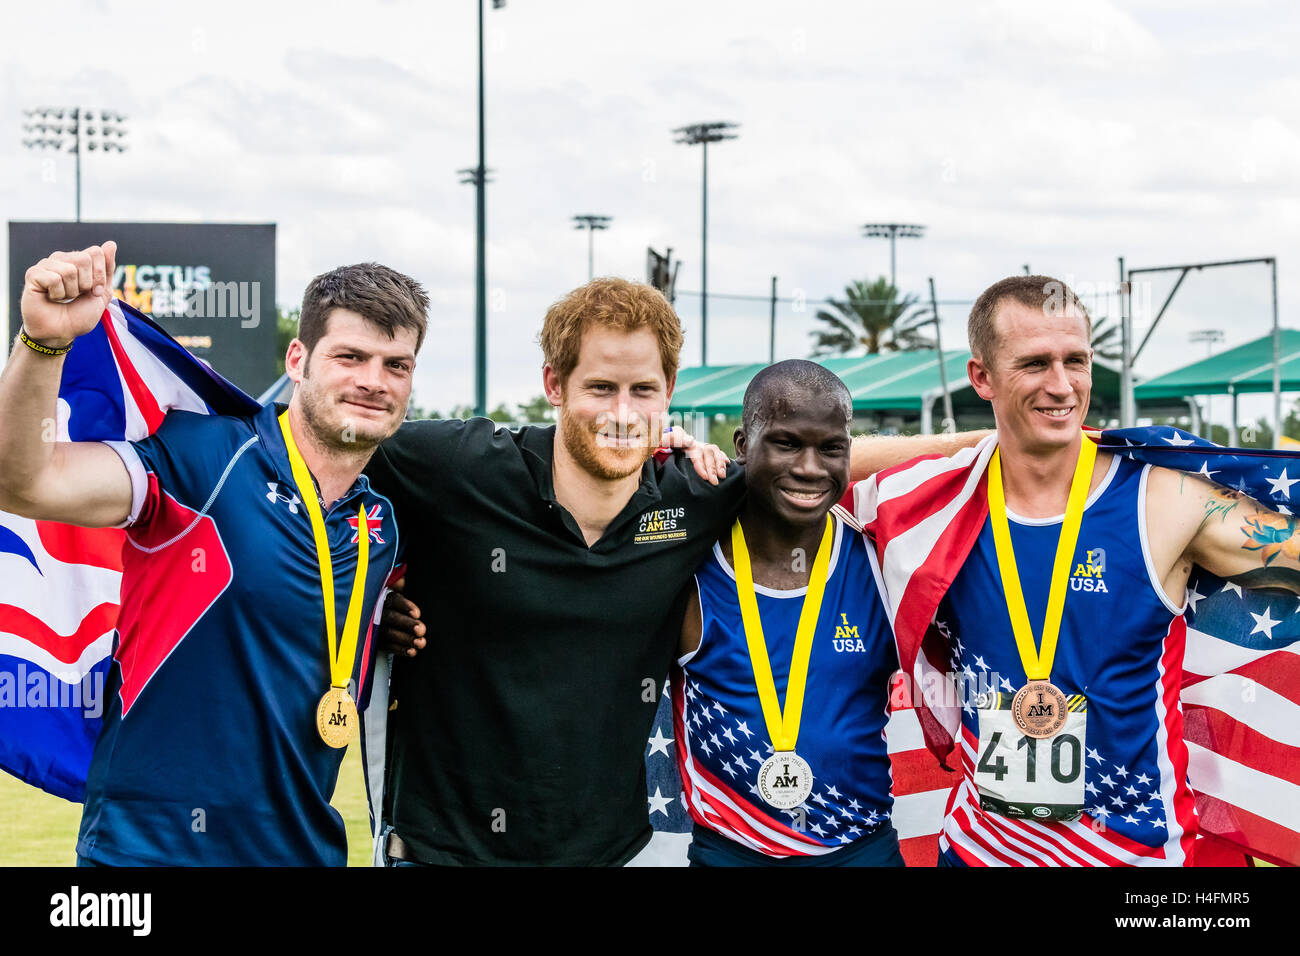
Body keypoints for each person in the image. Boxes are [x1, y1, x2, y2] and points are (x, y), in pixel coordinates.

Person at [368, 276, 982, 866]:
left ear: (669, 389)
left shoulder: (692, 495)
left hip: (604, 856)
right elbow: (325, 475)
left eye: (642, 390)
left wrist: (1016, 442)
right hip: (441, 851)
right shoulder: (455, 465)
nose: (622, 412)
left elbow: (825, 457)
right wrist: (376, 605)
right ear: (554, 384)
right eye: (601, 387)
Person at [0, 241, 427, 865]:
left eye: (397, 365)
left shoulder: (379, 522)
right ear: (298, 359)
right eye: (351, 357)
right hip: (150, 856)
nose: (373, 381)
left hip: (304, 852)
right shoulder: (202, 458)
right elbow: (24, 482)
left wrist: (386, 620)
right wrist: (43, 345)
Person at [870, 275, 1300, 867]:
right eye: (1034, 364)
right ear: (981, 378)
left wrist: (1029, 418)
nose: (1061, 384)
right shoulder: (939, 499)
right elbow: (808, 460)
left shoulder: (1165, 503)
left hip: (1133, 856)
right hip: (980, 853)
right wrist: (988, 437)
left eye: (1076, 361)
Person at [673, 360, 902, 866]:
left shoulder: (884, 558)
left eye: (831, 448)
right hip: (732, 850)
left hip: (859, 848)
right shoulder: (688, 564)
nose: (810, 468)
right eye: (786, 443)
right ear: (740, 445)